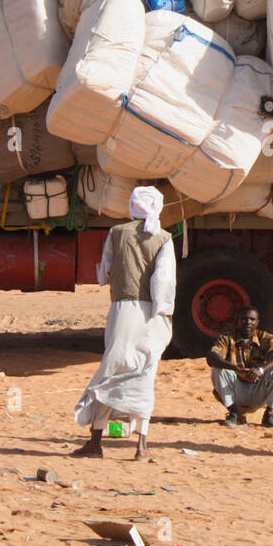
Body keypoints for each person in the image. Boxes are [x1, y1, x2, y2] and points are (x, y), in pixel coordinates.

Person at [73, 186, 175, 462]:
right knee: (145, 373)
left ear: (132, 205)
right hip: (152, 312)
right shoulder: (164, 237)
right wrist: (162, 311)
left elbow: (105, 270)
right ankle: (141, 446)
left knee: (111, 370)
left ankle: (95, 441)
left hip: (122, 311)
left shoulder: (117, 233)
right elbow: (163, 280)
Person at [205, 306, 273, 427]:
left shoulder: (265, 338)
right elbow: (211, 357)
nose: (248, 322)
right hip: (236, 391)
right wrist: (234, 368)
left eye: (252, 319)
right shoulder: (227, 339)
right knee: (217, 369)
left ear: (257, 322)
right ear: (237, 321)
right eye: (244, 319)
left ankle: (269, 414)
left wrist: (261, 370)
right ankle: (234, 413)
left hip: (259, 390)